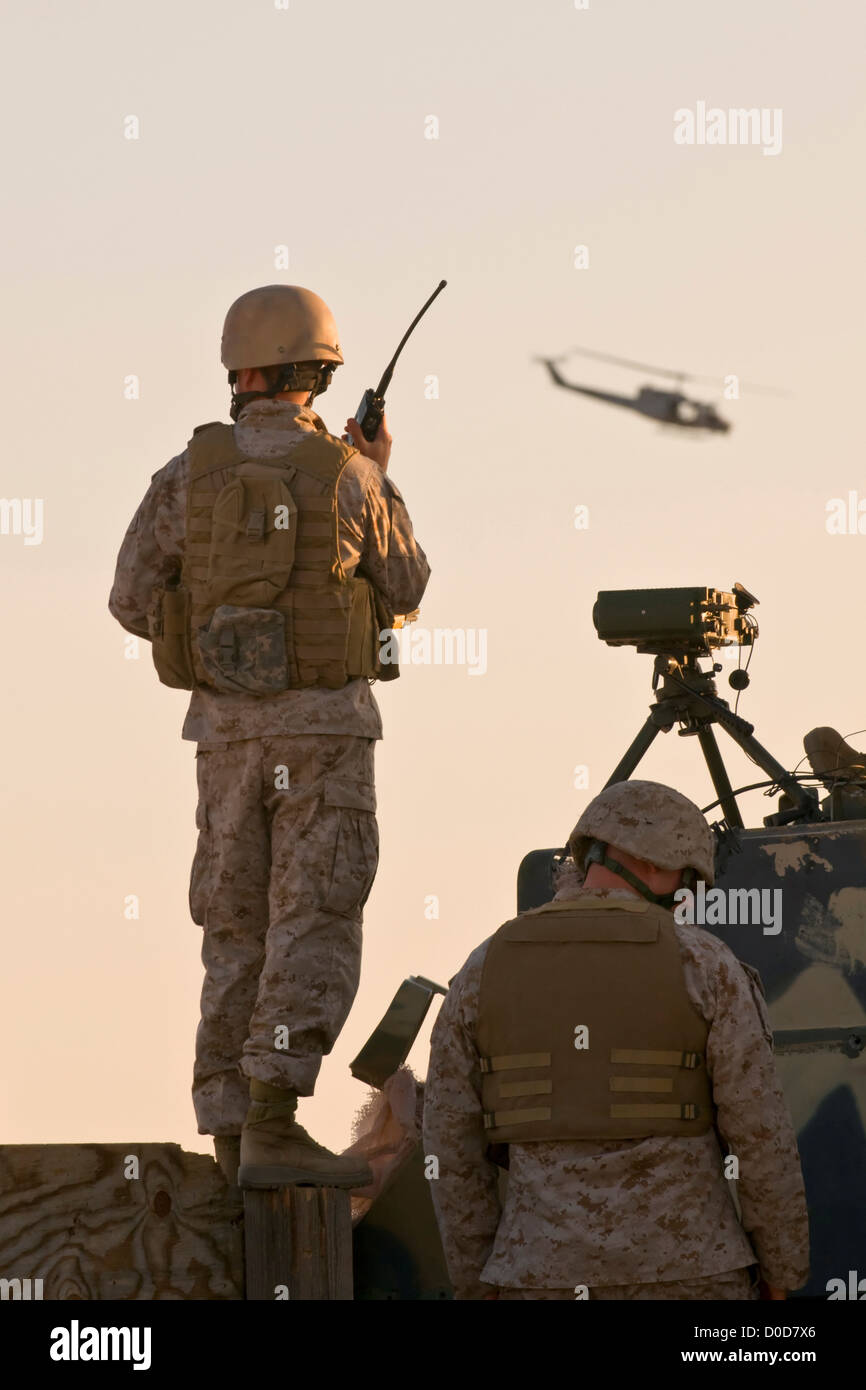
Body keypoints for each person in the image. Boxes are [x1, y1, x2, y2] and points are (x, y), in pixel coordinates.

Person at [109, 284, 430, 1189]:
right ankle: (275, 1120)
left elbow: (131, 599)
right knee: (312, 920)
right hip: (325, 736)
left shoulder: (184, 476)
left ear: (238, 371)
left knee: (233, 927)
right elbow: (405, 584)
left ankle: (229, 1136)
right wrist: (380, 467)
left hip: (221, 744)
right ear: (318, 372)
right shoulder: (351, 476)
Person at [423, 780, 810, 1299]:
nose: (685, 895)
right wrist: (782, 1274)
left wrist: (479, 1280)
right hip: (690, 1275)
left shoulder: (483, 967)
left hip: (537, 1276)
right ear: (653, 864)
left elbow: (450, 1146)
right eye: (687, 878)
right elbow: (762, 1138)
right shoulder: (704, 963)